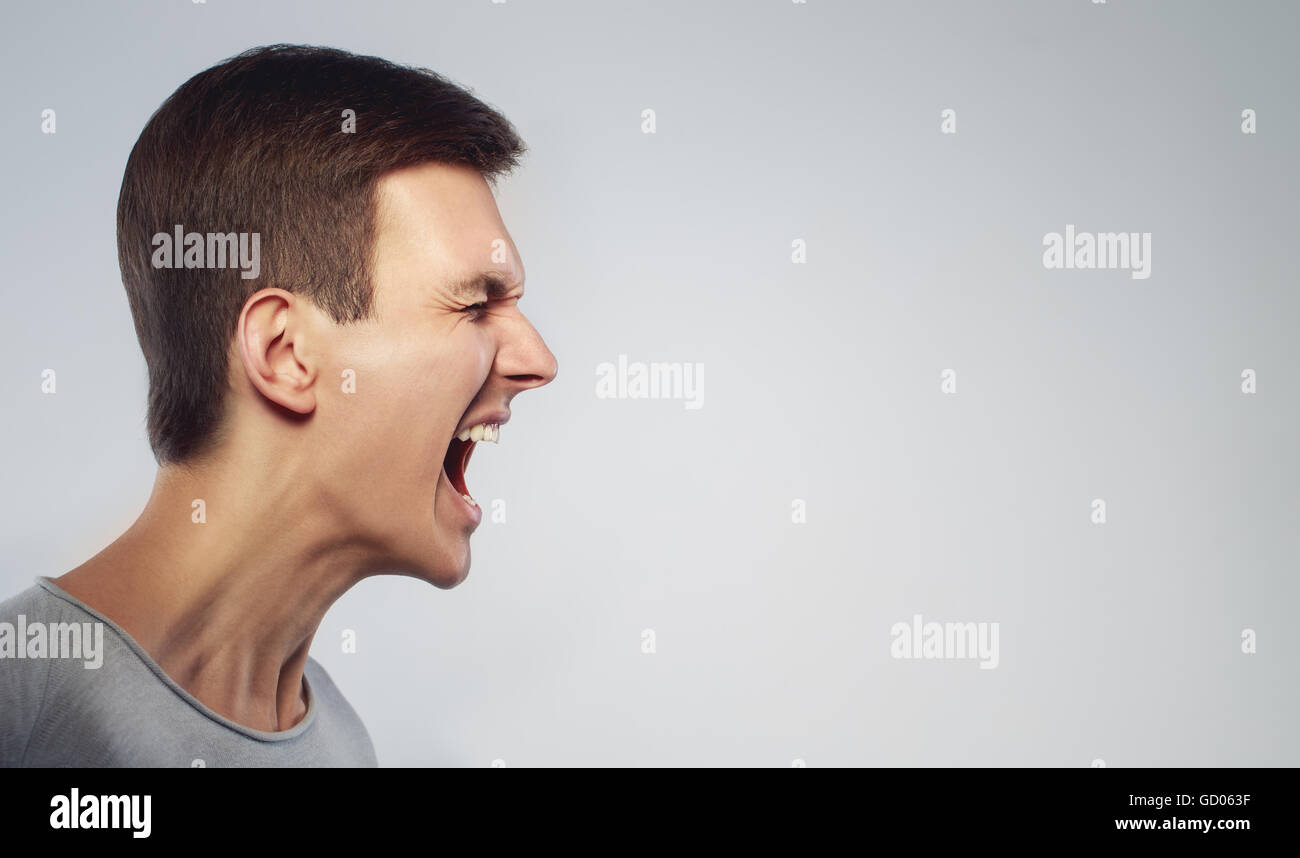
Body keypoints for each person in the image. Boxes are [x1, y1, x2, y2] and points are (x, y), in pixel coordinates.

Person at [0, 44, 558, 766]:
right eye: (477, 303)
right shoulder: (21, 703)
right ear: (284, 353)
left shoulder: (342, 745)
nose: (539, 362)